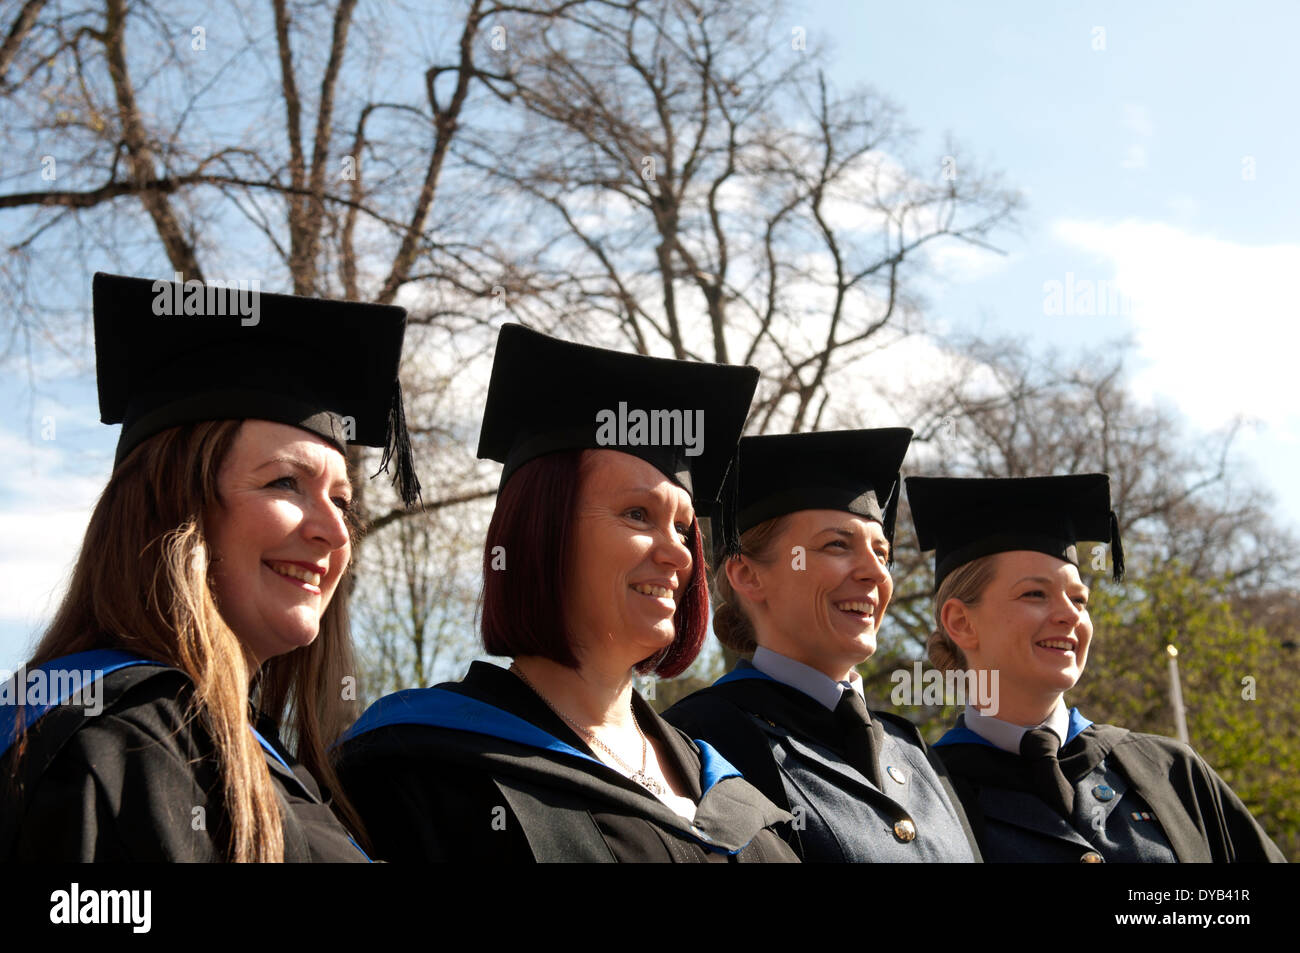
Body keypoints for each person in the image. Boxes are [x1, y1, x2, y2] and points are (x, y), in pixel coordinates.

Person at [333, 324, 798, 862]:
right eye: (637, 514)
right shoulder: (416, 770)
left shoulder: (736, 804)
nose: (678, 554)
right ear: (541, 534)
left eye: (682, 528)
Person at [0, 272, 420, 862]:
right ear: (174, 508)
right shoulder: (117, 751)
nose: (333, 531)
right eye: (285, 482)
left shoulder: (270, 764)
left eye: (343, 502)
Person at [908, 473, 1285, 863]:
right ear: (960, 622)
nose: (1069, 615)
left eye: (1079, 599)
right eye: (1035, 594)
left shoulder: (1171, 771)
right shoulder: (924, 798)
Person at [664, 429, 981, 862]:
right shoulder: (697, 742)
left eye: (882, 553)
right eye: (837, 545)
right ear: (748, 575)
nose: (876, 573)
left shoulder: (912, 752)